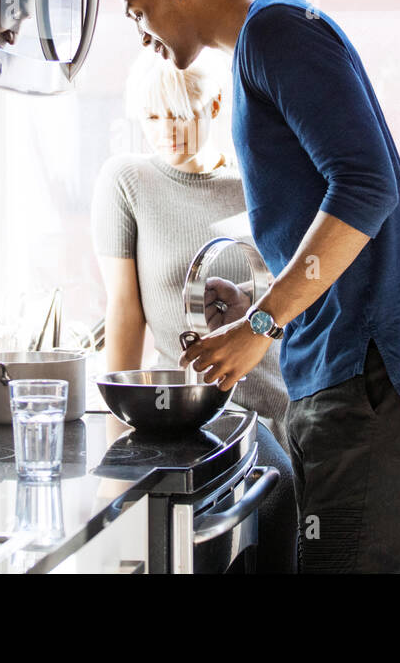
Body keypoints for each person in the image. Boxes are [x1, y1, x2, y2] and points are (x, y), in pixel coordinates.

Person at [110, 0, 400, 574]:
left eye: (140, 12)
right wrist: (254, 295)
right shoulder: (262, 49)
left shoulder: (275, 32)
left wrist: (264, 320)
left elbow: (365, 189)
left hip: (370, 369)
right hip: (344, 366)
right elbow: (320, 213)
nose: (143, 35)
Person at [90, 49, 298, 573]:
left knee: (277, 518)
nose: (167, 131)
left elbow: (291, 302)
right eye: (154, 116)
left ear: (216, 104)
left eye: (181, 115)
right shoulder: (127, 182)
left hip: (276, 407)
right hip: (190, 418)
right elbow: (124, 307)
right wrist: (119, 429)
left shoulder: (256, 187)